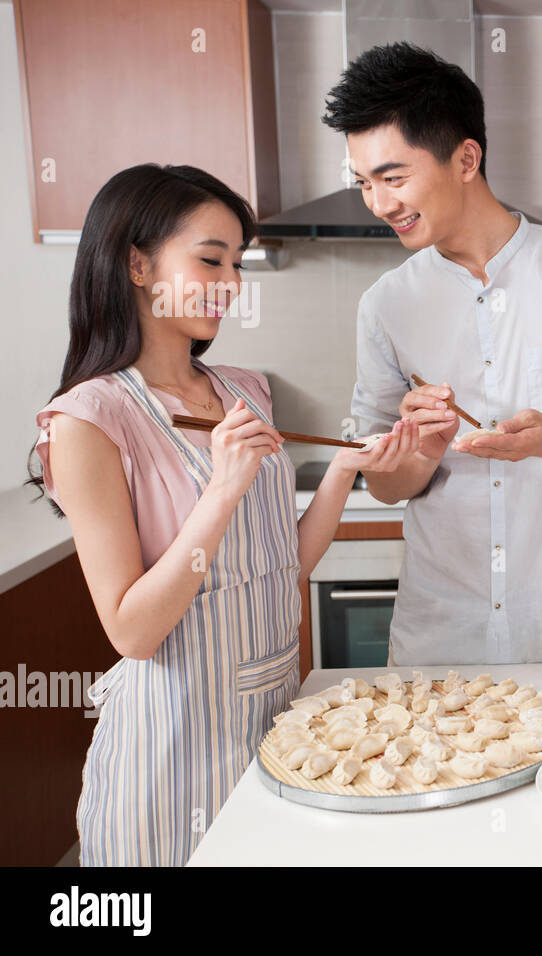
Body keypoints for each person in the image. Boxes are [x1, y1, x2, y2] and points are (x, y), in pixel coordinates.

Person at [29, 164, 416, 865]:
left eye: (237, 263)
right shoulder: (88, 420)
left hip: (274, 728)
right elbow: (132, 632)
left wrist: (344, 469)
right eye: (210, 259)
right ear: (137, 263)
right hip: (170, 749)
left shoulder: (243, 389)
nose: (231, 282)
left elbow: (280, 565)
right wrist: (220, 493)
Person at [321, 42, 542, 665]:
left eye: (394, 178)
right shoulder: (387, 304)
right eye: (364, 182)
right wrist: (420, 450)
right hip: (441, 635)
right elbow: (384, 482)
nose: (378, 203)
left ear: (466, 158)